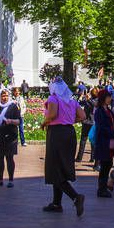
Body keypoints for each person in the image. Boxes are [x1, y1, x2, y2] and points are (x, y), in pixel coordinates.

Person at [41, 77, 86, 216]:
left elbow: (53, 114)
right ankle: (56, 203)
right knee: (61, 167)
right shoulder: (71, 100)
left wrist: (45, 122)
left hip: (57, 134)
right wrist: (69, 120)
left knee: (55, 168)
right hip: (69, 133)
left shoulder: (54, 99)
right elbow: (83, 116)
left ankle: (75, 197)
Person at [0, 86, 21, 187]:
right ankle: (0, 179)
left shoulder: (13, 106)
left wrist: (11, 121)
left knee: (9, 157)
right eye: (3, 96)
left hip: (10, 135)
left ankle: (11, 180)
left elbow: (19, 121)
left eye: (6, 96)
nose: (4, 98)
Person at [93, 89, 114, 197]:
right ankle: (101, 189)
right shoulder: (99, 111)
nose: (111, 99)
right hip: (104, 142)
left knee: (108, 164)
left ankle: (103, 188)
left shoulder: (107, 109)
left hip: (110, 142)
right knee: (105, 165)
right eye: (109, 97)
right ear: (104, 98)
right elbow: (101, 127)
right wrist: (113, 134)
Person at [75, 88, 95, 163]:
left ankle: (79, 158)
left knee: (83, 140)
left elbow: (79, 102)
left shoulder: (88, 102)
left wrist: (82, 97)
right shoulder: (98, 102)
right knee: (92, 141)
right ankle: (92, 158)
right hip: (93, 122)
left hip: (86, 122)